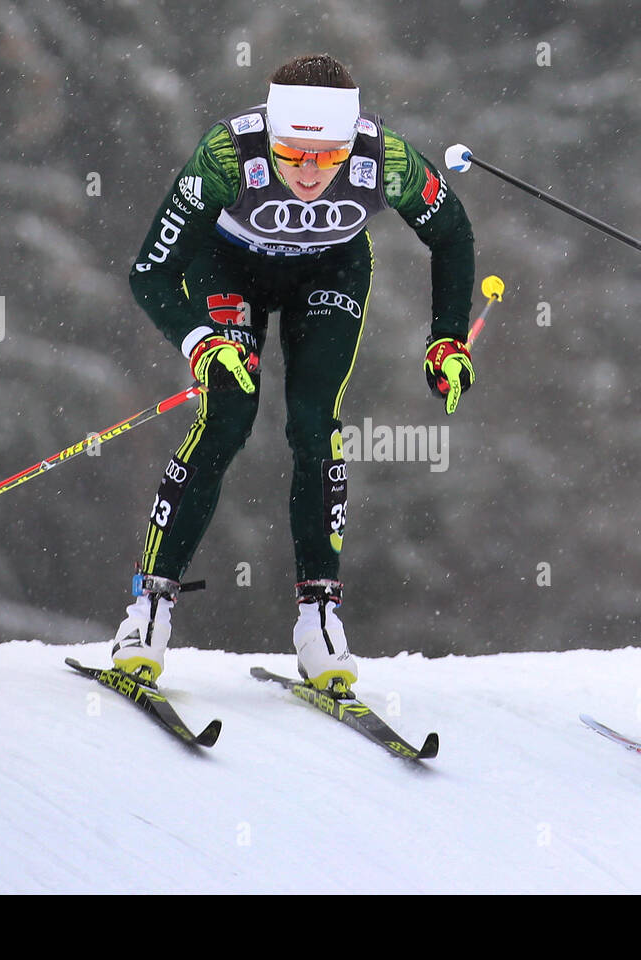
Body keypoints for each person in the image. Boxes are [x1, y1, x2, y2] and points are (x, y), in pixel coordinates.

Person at [110, 54, 475, 693]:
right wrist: (199, 343)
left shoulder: (385, 159)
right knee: (227, 414)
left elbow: (451, 234)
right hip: (230, 269)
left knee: (314, 423)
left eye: (328, 159)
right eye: (292, 156)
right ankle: (149, 609)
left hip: (329, 273)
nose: (309, 174)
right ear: (271, 137)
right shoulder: (228, 156)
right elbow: (150, 272)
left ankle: (319, 620)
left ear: (351, 143)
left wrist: (446, 339)